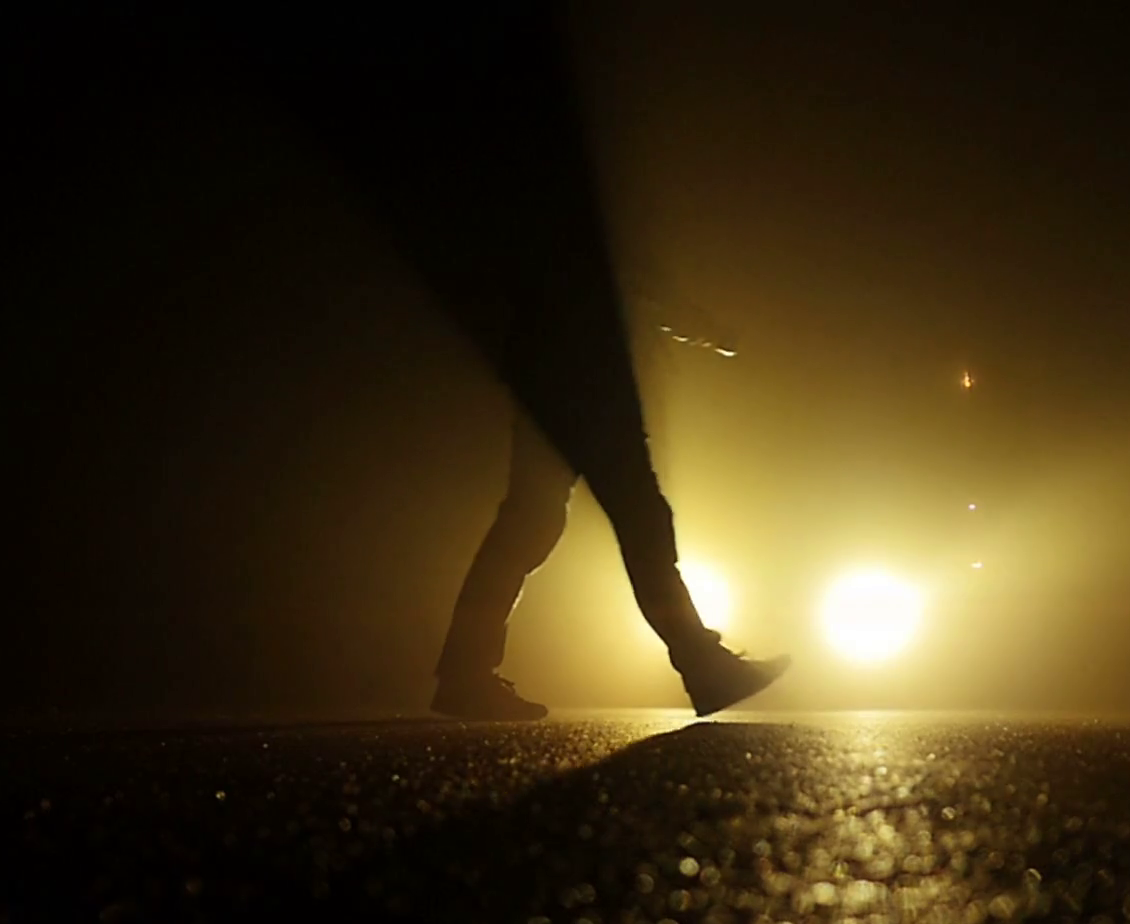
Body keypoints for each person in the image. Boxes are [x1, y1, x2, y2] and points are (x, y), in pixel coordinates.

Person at [260, 3, 790, 718]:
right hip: (583, 365)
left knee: (535, 520)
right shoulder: (550, 185)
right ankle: (698, 665)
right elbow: (608, 279)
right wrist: (699, 329)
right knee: (633, 513)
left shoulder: (517, 175)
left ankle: (466, 673)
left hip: (551, 361)